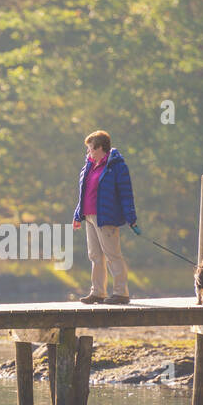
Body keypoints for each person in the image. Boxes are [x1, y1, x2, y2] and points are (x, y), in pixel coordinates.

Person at [72, 129, 138, 304]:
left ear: (101, 147)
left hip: (106, 216)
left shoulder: (117, 166)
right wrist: (78, 215)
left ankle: (121, 292)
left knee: (112, 254)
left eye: (91, 148)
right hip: (89, 216)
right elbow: (84, 193)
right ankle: (98, 292)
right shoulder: (88, 166)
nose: (88, 152)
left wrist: (131, 217)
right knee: (94, 255)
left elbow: (126, 194)